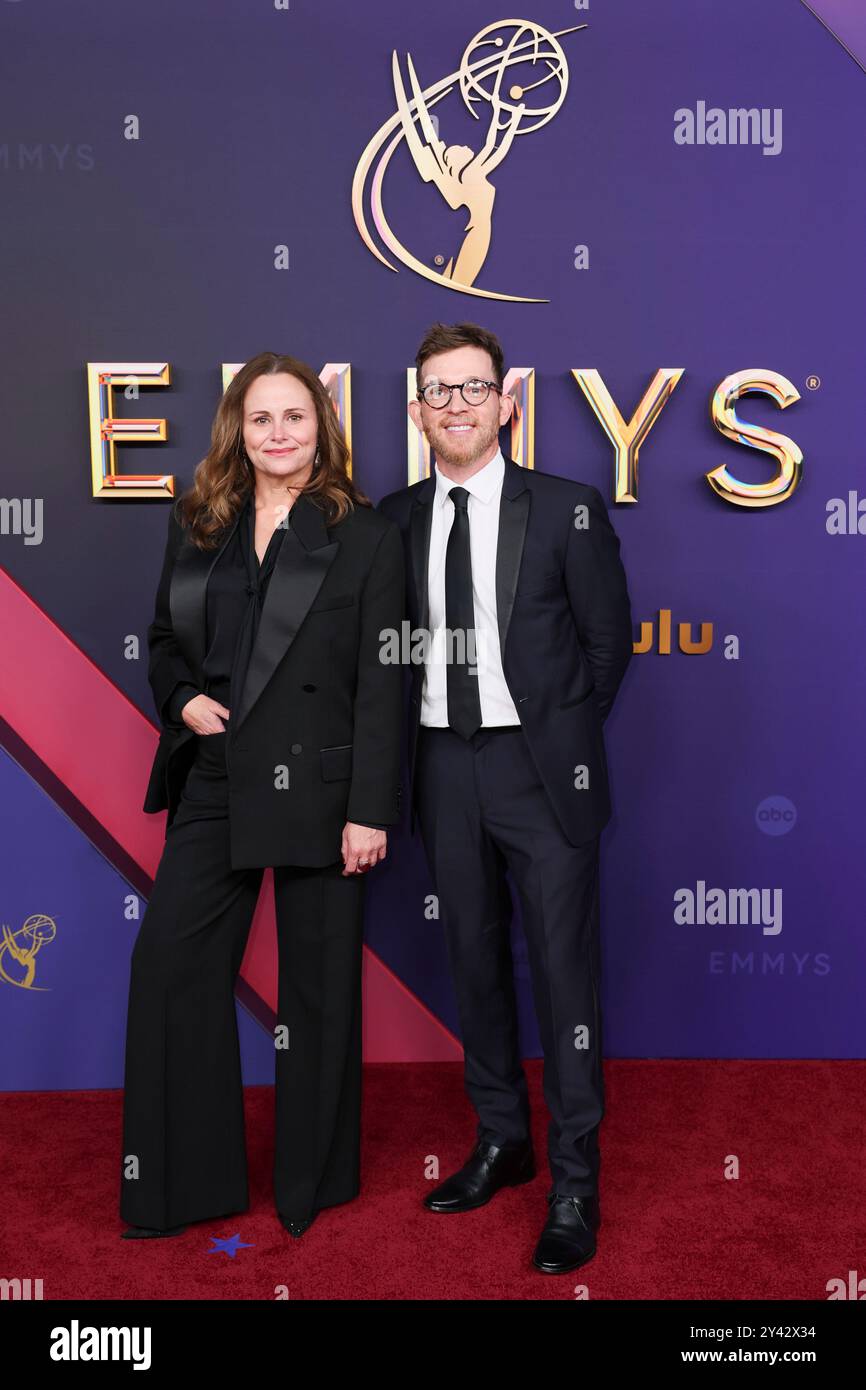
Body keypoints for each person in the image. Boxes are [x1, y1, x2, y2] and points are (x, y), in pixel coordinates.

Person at [121, 351, 404, 1239]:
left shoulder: (364, 532)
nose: (278, 433)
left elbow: (382, 681)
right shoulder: (198, 519)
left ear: (322, 428)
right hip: (215, 778)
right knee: (171, 970)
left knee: (318, 994)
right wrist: (179, 698)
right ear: (235, 433)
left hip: (323, 791)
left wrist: (369, 808)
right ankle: (184, 1184)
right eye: (260, 419)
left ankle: (309, 1184)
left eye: (295, 417)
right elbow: (164, 637)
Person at [379, 322, 633, 1274]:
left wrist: (558, 739)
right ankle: (503, 1140)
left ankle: (575, 1181)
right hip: (442, 766)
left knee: (566, 978)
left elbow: (608, 646)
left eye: (473, 388)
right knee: (473, 964)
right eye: (437, 391)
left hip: (543, 775)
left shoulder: (564, 507)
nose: (456, 405)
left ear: (506, 401)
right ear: (416, 411)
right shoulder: (392, 519)